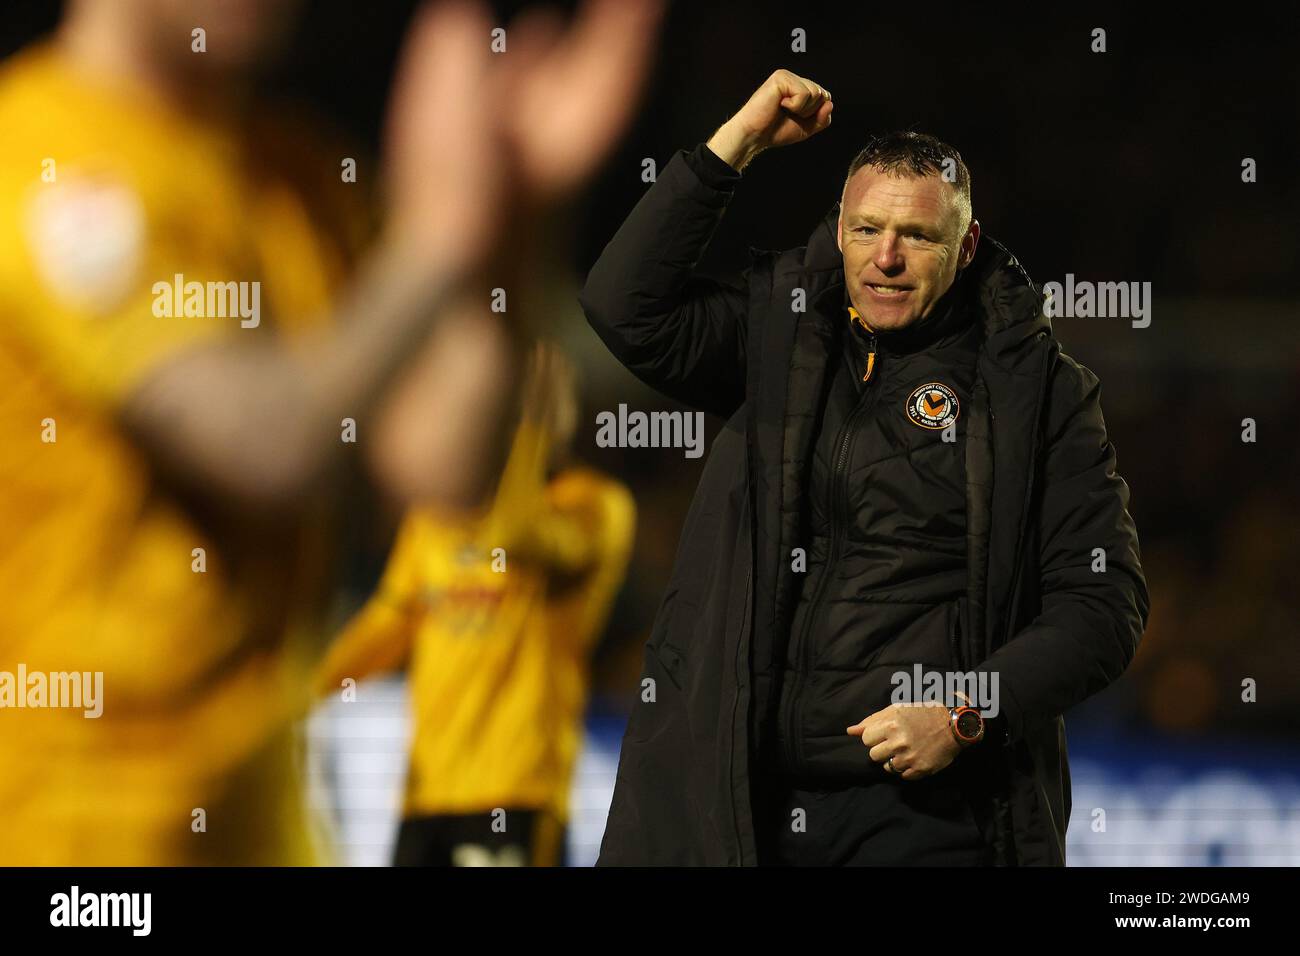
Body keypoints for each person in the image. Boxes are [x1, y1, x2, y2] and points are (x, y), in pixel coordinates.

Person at [0, 0, 662, 864]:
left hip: (257, 824)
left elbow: (440, 474)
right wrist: (435, 244)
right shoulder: (38, 155)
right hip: (64, 842)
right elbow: (266, 443)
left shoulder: (297, 177)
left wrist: (508, 228)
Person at [580, 69, 1150, 865]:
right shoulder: (780, 336)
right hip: (744, 798)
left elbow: (1103, 604)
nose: (885, 257)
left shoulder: (1038, 393)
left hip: (927, 815)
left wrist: (964, 711)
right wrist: (735, 142)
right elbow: (622, 306)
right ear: (838, 228)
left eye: (916, 236)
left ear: (967, 245)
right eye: (865, 230)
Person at [315, 344, 636, 866]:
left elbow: (517, 533)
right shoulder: (435, 518)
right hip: (426, 794)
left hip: (515, 792)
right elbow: (387, 624)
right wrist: (302, 689)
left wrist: (528, 433)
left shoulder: (594, 508)